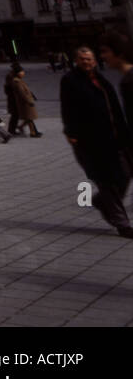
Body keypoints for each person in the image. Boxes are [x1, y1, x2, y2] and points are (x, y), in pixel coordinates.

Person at [60, 45, 133, 238]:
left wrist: (125, 134)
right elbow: (67, 107)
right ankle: (122, 223)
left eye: (89, 59)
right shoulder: (70, 80)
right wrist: (71, 132)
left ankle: (101, 201)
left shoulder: (102, 80)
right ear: (76, 60)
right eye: (82, 59)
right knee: (106, 181)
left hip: (114, 139)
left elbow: (115, 108)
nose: (87, 62)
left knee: (125, 174)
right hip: (90, 142)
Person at [99, 33, 133, 123]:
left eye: (105, 51)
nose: (102, 56)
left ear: (119, 52)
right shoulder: (127, 79)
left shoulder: (129, 81)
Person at [8, 66, 42, 138]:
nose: (23, 73)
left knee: (29, 117)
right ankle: (33, 133)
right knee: (29, 117)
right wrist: (29, 101)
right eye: (22, 72)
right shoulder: (16, 81)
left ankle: (22, 128)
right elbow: (22, 93)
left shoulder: (19, 80)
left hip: (25, 102)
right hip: (24, 103)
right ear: (17, 73)